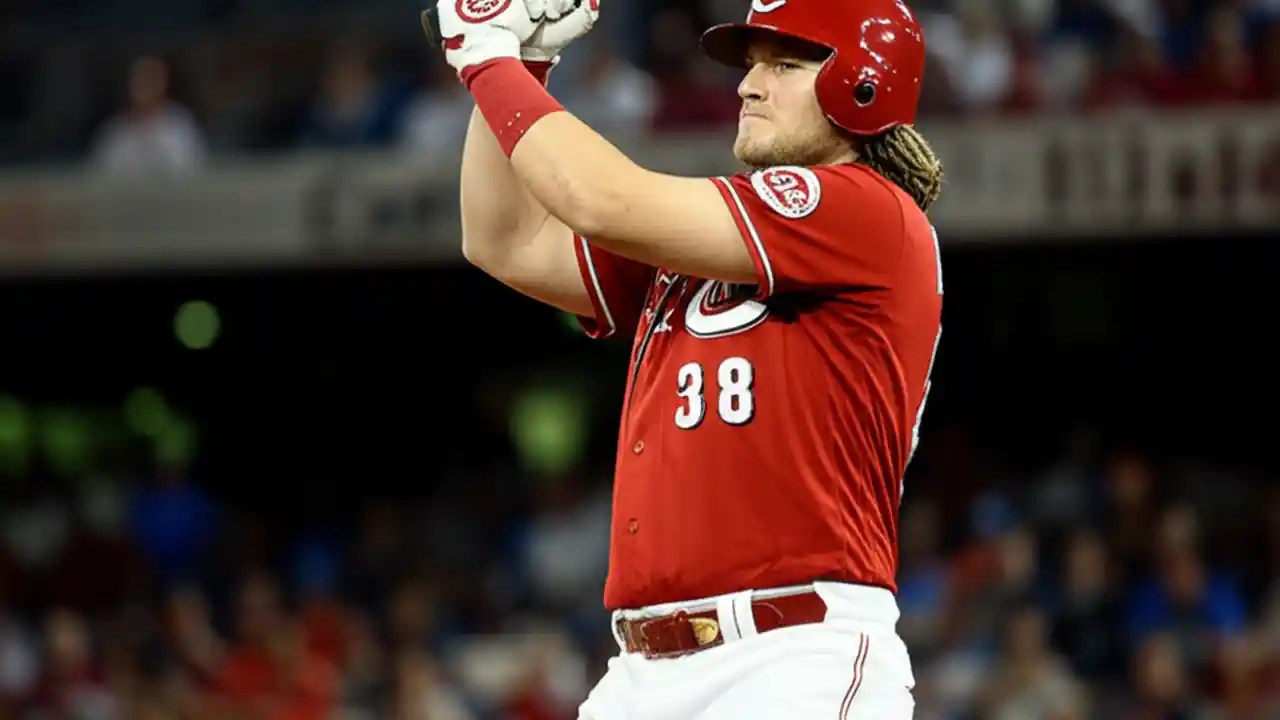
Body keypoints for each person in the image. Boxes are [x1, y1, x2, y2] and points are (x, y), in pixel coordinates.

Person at [425, 0, 944, 716]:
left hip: (793, 658)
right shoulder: (721, 239)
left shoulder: (867, 212)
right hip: (643, 670)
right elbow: (503, 241)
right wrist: (527, 61)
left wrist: (487, 58)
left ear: (862, 84)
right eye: (752, 66)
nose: (747, 86)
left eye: (784, 65)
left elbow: (598, 200)